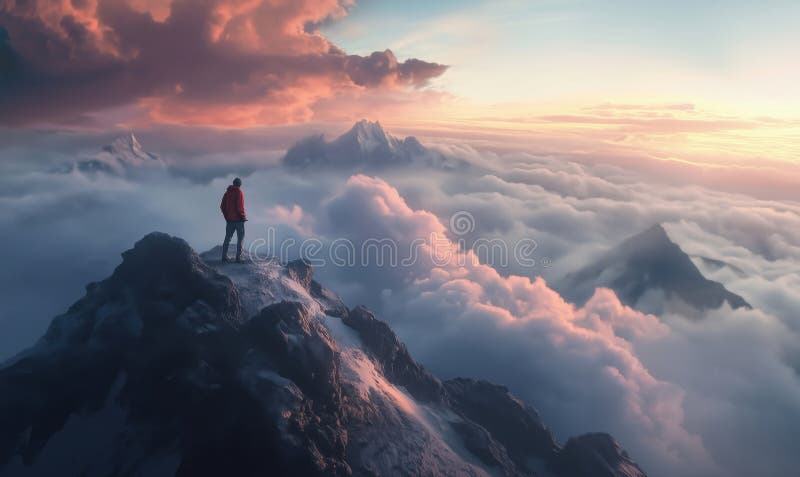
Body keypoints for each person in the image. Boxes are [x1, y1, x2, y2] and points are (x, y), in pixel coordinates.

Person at [220, 177, 247, 262]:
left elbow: (222, 206)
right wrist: (243, 217)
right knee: (240, 239)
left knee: (227, 238)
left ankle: (224, 257)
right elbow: (239, 207)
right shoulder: (239, 192)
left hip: (229, 220)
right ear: (240, 184)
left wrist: (226, 217)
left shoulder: (227, 193)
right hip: (239, 220)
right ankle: (238, 258)